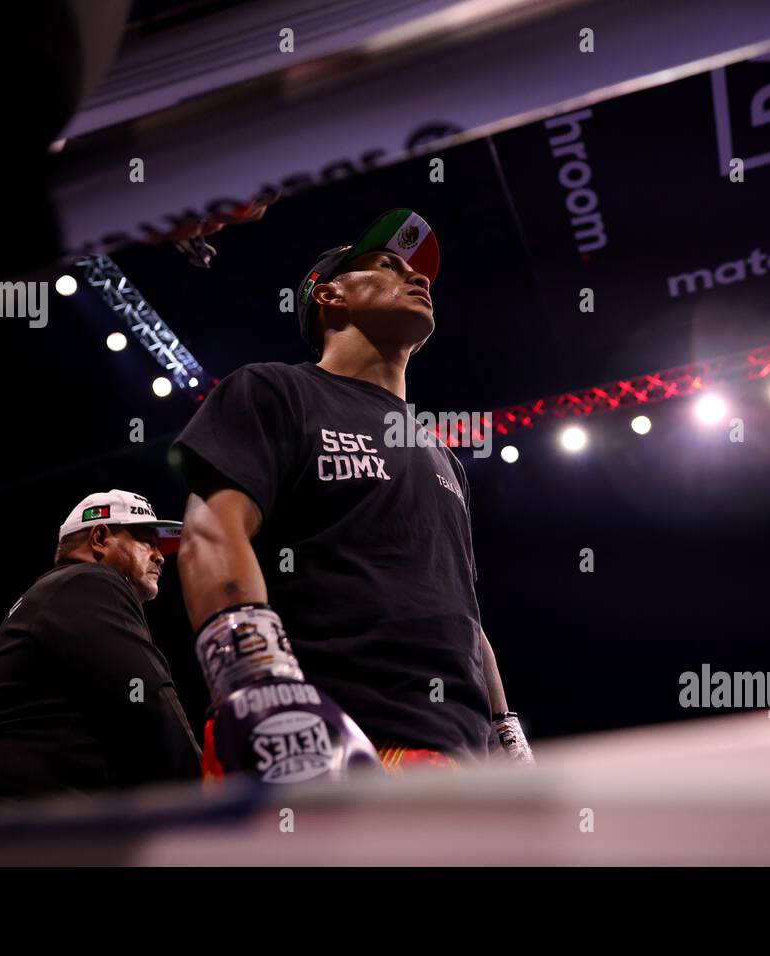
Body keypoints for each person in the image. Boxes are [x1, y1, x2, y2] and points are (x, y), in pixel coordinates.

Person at [173, 209, 533, 778]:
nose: (416, 278)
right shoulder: (274, 389)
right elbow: (211, 532)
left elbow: (465, 611)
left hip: (459, 757)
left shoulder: (443, 456)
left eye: (418, 275)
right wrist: (258, 682)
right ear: (330, 296)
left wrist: (505, 731)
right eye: (387, 266)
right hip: (333, 735)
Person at [0, 490, 201, 806]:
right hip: (18, 837)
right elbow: (152, 702)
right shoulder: (89, 582)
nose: (160, 556)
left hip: (3, 830)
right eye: (146, 541)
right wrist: (210, 794)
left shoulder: (53, 594)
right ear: (100, 538)